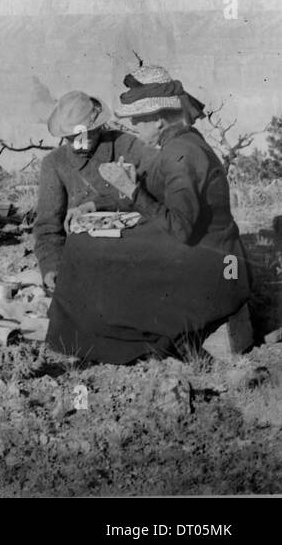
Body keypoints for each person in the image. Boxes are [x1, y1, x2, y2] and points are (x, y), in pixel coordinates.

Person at [46, 65, 252, 364]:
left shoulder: (181, 154)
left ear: (157, 120)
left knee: (87, 250)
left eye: (138, 121)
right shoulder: (180, 142)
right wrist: (99, 205)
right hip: (211, 250)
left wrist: (131, 192)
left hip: (211, 265)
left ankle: (98, 337)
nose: (135, 127)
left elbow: (180, 227)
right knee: (94, 244)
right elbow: (154, 192)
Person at [31, 90, 154, 294]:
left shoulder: (127, 145)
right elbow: (48, 228)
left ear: (99, 127)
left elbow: (158, 188)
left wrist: (102, 203)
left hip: (134, 252)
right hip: (84, 259)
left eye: (86, 135)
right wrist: (52, 267)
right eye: (73, 137)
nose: (80, 142)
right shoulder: (55, 163)